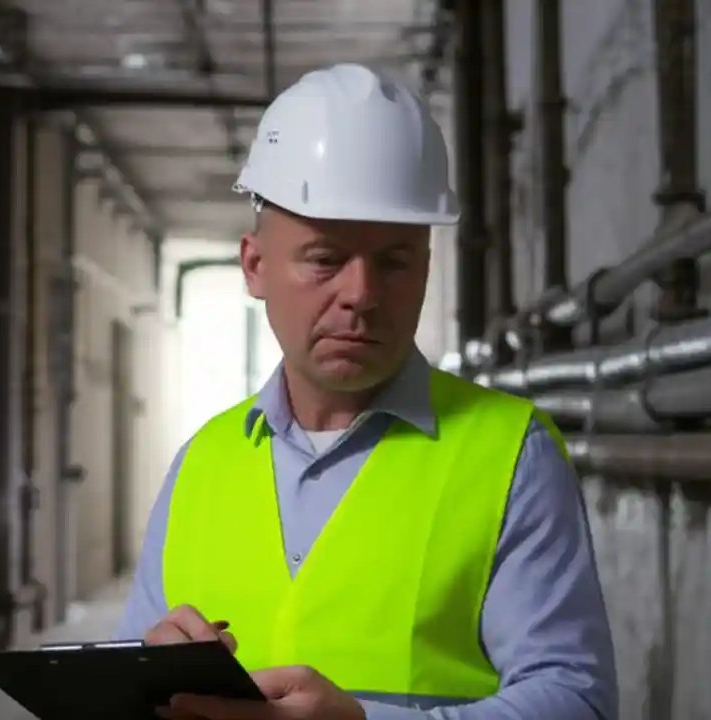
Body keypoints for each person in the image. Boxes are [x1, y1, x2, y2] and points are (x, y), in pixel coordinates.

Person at [115, 63, 617, 720]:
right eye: (325, 258)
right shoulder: (202, 464)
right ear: (255, 266)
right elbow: (130, 673)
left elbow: (578, 702)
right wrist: (145, 678)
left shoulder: (509, 455)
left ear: (426, 267)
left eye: (394, 261)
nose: (361, 294)